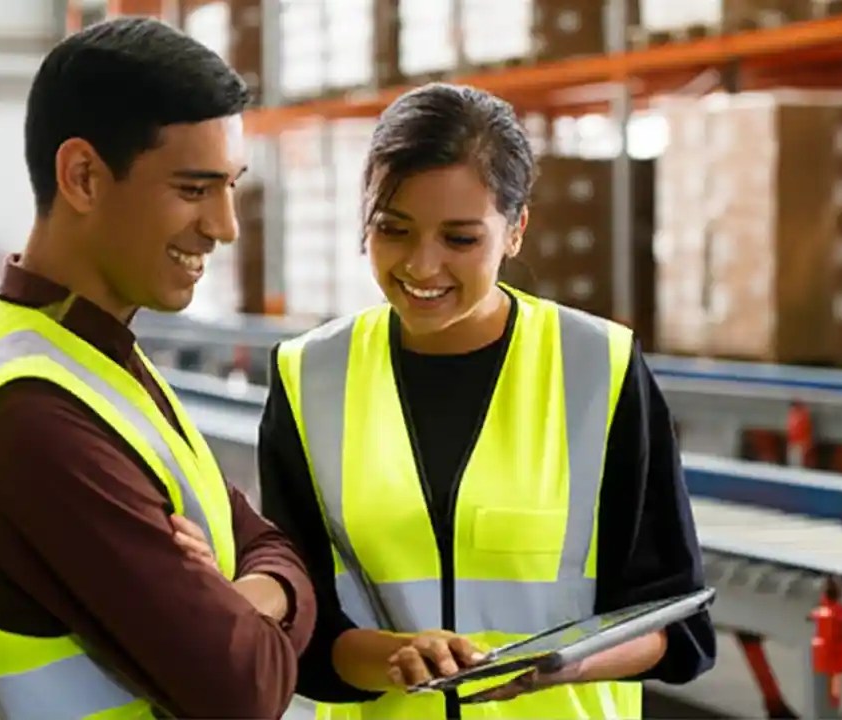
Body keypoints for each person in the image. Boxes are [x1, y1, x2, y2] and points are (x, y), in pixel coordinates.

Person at [259, 82, 716, 719]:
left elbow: (677, 623)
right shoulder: (310, 375)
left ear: (516, 230)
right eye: (394, 229)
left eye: (460, 239)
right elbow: (304, 629)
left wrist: (564, 665)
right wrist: (396, 656)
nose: (423, 266)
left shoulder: (598, 367)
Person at [0, 17, 316, 720]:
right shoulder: (33, 415)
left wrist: (265, 589)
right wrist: (271, 593)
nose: (225, 225)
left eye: (232, 186)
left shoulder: (95, 356)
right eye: (195, 190)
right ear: (82, 177)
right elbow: (245, 689)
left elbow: (268, 542)